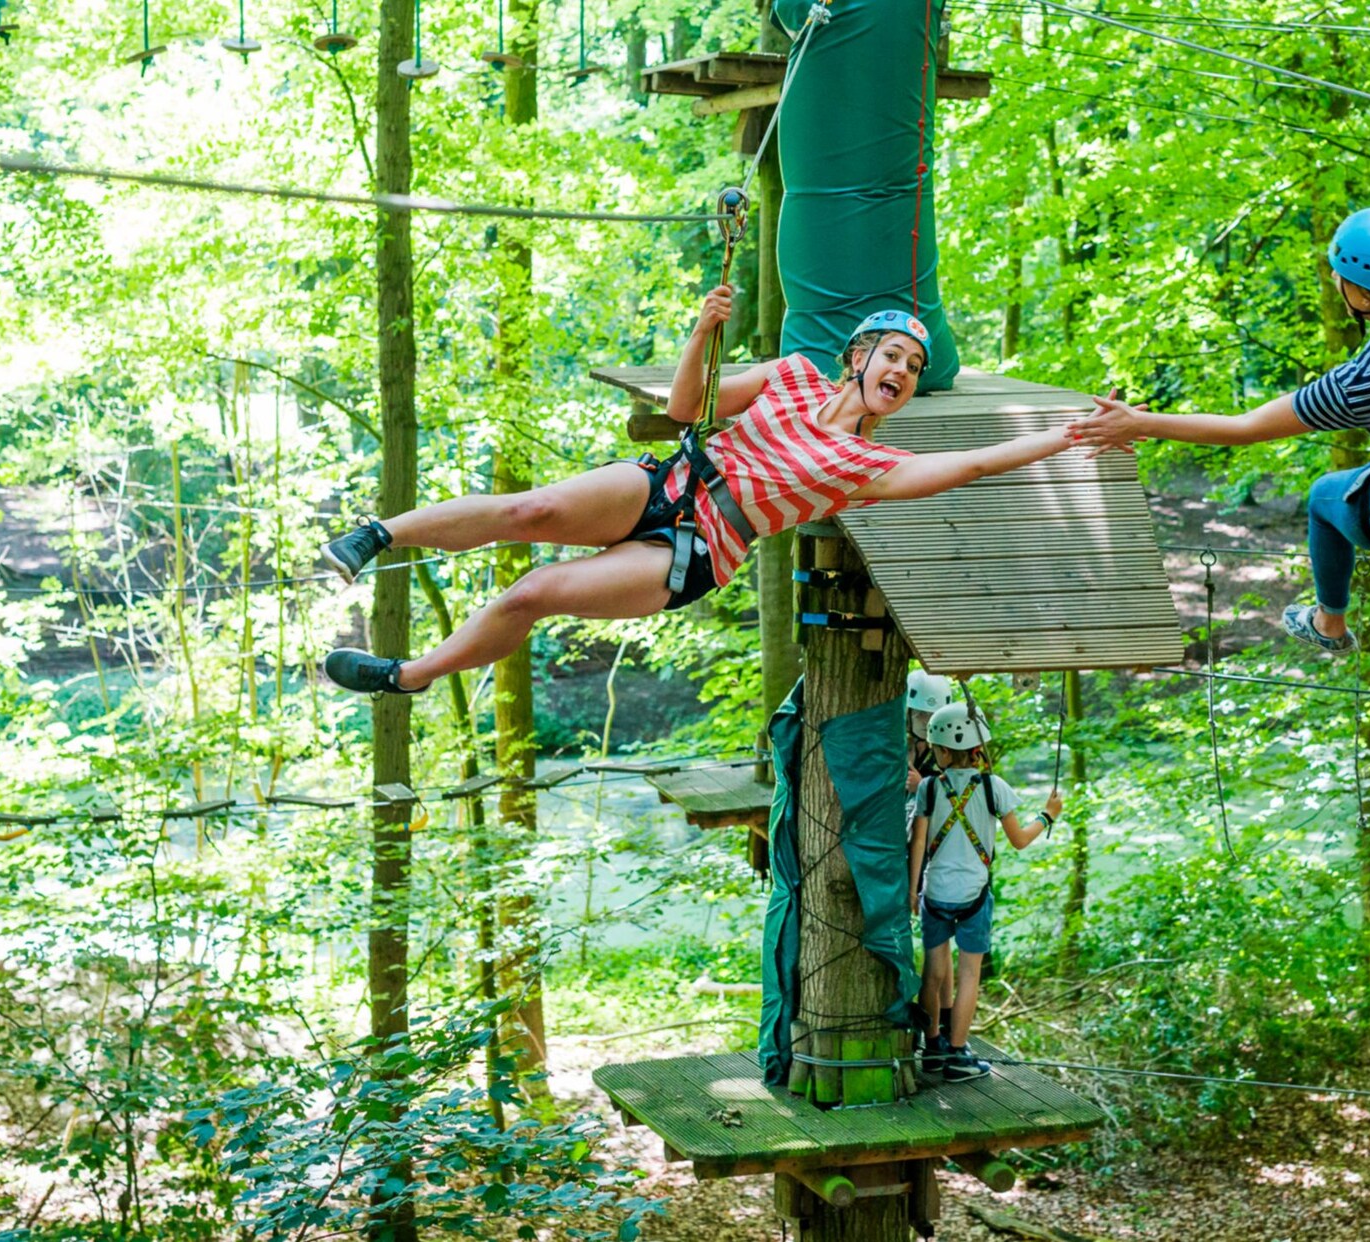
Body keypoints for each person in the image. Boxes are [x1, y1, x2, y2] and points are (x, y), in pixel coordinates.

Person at [317, 288, 1088, 694]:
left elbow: (977, 465)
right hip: (667, 483)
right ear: (859, 355)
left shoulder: (868, 467)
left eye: (913, 370)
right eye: (893, 356)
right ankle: (375, 533)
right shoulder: (788, 376)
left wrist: (1070, 435)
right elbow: (687, 409)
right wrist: (702, 329)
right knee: (533, 510)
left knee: (534, 593)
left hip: (696, 549)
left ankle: (407, 677)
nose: (902, 374)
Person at [1072, 169, 1370, 720]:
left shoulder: (1355, 388)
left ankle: (1330, 622)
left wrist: (1139, 423)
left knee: (1324, 500)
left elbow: (1242, 428)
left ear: (1355, 294)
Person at [908, 700, 1060, 1083]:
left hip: (935, 893)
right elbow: (1019, 840)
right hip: (974, 895)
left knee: (932, 972)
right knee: (969, 974)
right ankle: (959, 1055)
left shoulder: (928, 788)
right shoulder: (995, 788)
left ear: (941, 751)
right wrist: (1047, 815)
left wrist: (913, 890)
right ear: (978, 748)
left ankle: (932, 1048)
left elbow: (918, 842)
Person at [905, 669, 952, 799]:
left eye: (933, 715)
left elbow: (961, 796)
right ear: (908, 713)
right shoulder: (895, 748)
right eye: (920, 714)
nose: (927, 722)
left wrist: (922, 786)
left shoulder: (950, 754)